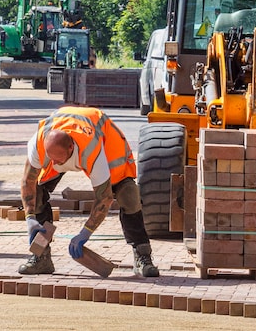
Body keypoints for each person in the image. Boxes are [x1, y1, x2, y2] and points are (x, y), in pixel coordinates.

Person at [18, 106, 159, 277]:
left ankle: (142, 255)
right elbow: (27, 181)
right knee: (37, 192)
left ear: (70, 149)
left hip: (106, 140)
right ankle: (41, 257)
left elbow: (104, 199)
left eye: (57, 159)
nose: (52, 162)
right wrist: (30, 218)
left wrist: (85, 233)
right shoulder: (39, 143)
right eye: (50, 157)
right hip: (64, 135)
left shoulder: (92, 150)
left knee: (128, 195)